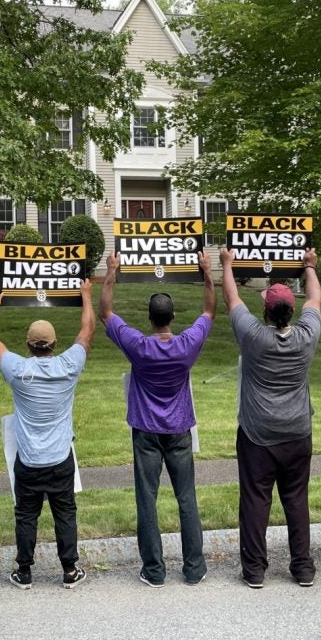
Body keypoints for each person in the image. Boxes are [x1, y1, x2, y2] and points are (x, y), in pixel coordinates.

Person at [99, 251, 215, 587]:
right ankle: (194, 568)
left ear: (149, 319)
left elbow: (106, 313)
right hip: (179, 430)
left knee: (147, 499)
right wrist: (208, 272)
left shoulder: (139, 346)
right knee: (186, 498)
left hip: (145, 432)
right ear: (173, 317)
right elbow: (209, 311)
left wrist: (111, 271)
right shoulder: (186, 345)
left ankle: (154, 570)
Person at [220, 247, 321, 588]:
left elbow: (232, 299)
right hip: (297, 433)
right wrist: (309, 267)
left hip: (257, 435)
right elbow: (315, 299)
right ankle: (303, 568)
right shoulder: (306, 336)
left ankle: (254, 571)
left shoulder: (253, 336)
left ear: (264, 311)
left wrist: (227, 264)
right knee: (296, 500)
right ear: (291, 311)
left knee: (255, 500)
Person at [0, 281, 95, 591]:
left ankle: (24, 572)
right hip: (60, 458)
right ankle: (70, 570)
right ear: (55, 343)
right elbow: (87, 332)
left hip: (29, 460)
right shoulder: (69, 366)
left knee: (26, 515)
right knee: (65, 512)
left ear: (28, 344)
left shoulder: (18, 370)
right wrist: (86, 296)